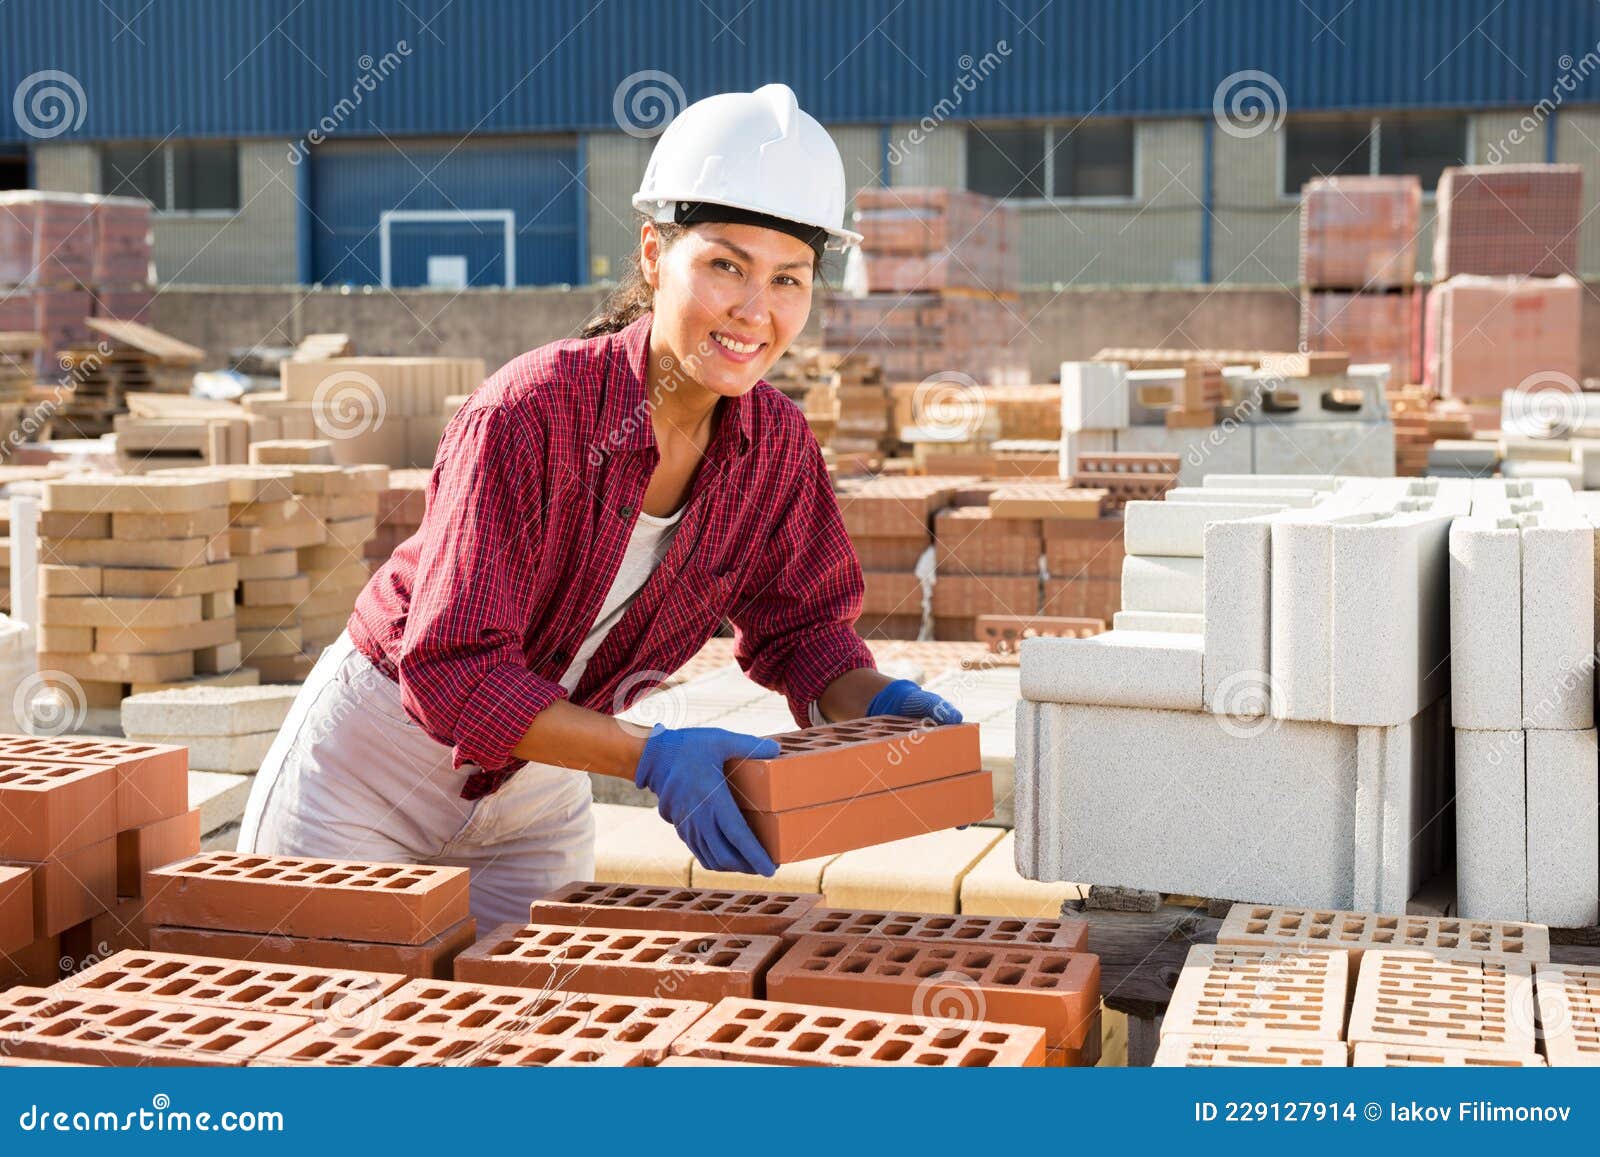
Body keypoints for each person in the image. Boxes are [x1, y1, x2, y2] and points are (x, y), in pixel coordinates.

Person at [237, 84, 963, 928]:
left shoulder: (779, 450)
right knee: (329, 1026)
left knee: (526, 1040)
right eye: (724, 264)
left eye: (788, 279)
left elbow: (803, 634)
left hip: (535, 786)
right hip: (376, 767)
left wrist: (871, 698)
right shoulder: (529, 414)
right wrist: (652, 756)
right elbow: (452, 670)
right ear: (655, 255)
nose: (754, 311)